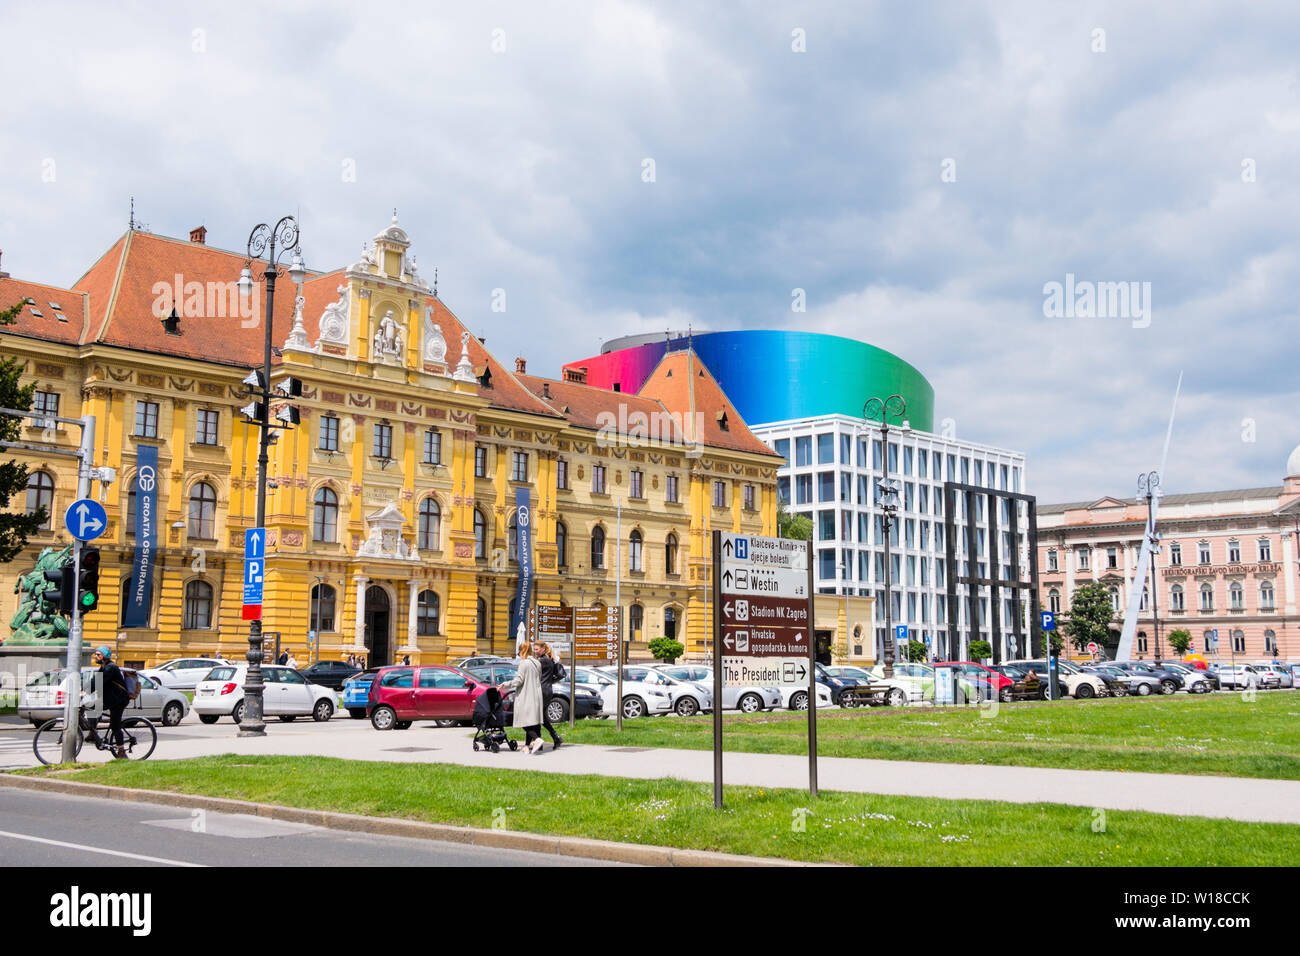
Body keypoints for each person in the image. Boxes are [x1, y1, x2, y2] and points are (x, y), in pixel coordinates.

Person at [88, 646, 130, 759]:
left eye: (98, 654)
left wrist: (85, 691)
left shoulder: (110, 668)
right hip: (111, 698)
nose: (95, 656)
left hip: (119, 700)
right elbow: (94, 681)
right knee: (91, 707)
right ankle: (93, 732)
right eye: (95, 654)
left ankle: (121, 751)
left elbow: (99, 682)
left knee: (115, 726)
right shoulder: (104, 667)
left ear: (105, 656)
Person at [502, 641, 544, 754]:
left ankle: (537, 739)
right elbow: (539, 678)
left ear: (522, 651)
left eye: (519, 651)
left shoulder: (524, 663)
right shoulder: (537, 663)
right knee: (532, 721)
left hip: (526, 695)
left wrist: (505, 684)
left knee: (523, 721)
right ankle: (526, 746)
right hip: (536, 695)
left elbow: (519, 680)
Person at [535, 641, 564, 749]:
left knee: (537, 716)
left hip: (541, 690)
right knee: (540, 716)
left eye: (537, 649)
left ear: (543, 649)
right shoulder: (550, 660)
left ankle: (549, 738)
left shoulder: (542, 661)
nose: (535, 651)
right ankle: (550, 738)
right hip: (547, 690)